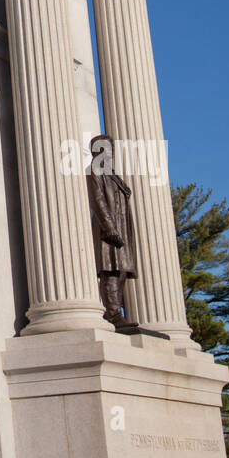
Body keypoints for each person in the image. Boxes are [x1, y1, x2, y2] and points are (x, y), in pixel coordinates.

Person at [87, 133, 139, 331]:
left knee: (123, 271)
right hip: (109, 230)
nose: (111, 152)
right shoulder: (96, 171)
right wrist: (109, 228)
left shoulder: (112, 174)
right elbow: (99, 201)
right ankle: (113, 313)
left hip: (121, 227)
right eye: (107, 148)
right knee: (111, 272)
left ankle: (117, 312)